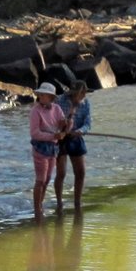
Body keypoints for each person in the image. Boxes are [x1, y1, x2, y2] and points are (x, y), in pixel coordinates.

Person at [28, 82, 68, 220]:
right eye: (40, 94)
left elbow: (62, 123)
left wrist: (64, 126)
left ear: (51, 97)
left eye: (43, 95)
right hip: (40, 147)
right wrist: (53, 136)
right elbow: (35, 133)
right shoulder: (35, 111)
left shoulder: (56, 108)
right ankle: (37, 209)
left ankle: (41, 204)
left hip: (53, 148)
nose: (40, 97)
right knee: (40, 180)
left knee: (48, 179)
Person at [55, 81, 91, 213]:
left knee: (81, 172)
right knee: (61, 173)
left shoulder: (86, 103)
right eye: (82, 93)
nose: (84, 96)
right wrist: (63, 129)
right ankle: (59, 203)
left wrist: (81, 130)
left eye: (84, 93)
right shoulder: (60, 101)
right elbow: (55, 120)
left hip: (76, 137)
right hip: (61, 139)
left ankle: (77, 202)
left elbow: (88, 123)